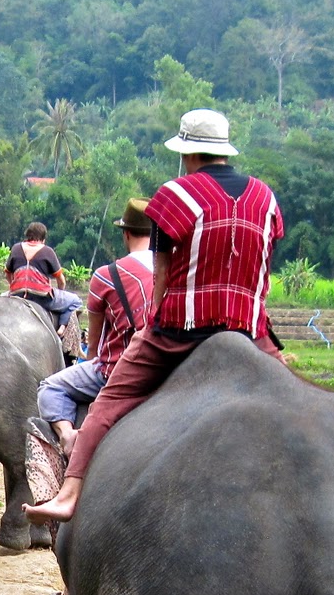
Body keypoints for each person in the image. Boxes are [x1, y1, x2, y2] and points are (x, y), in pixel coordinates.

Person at [25, 109, 284, 527]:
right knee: (291, 389)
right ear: (224, 150)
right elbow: (263, 272)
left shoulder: (173, 197)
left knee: (108, 402)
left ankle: (69, 494)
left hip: (180, 333)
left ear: (188, 154)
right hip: (249, 329)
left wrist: (149, 328)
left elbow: (162, 279)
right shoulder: (265, 198)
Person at [33, 198, 155, 456]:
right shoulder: (174, 270)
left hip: (119, 371)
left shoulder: (106, 275)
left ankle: (68, 437)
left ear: (126, 234)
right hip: (165, 366)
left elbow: (95, 348)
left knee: (50, 387)